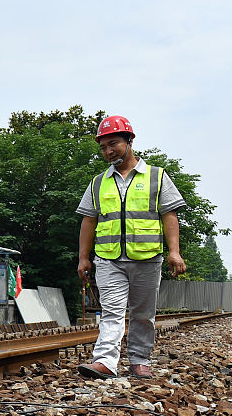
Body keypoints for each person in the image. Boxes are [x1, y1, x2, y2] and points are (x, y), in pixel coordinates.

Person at [76, 115, 186, 380]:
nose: (108, 151)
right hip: (108, 258)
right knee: (111, 312)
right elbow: (89, 220)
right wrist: (83, 258)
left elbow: (169, 215)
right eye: (103, 147)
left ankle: (139, 360)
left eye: (113, 144)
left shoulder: (156, 176)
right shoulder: (98, 182)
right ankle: (105, 362)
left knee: (143, 314)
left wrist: (174, 251)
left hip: (147, 258)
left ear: (129, 141)